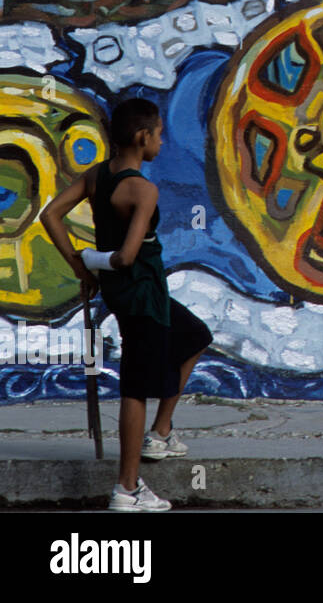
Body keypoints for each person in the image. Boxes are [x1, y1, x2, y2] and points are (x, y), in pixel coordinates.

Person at [39, 97, 212, 510]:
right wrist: (94, 263)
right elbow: (126, 256)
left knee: (193, 336)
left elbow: (51, 216)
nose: (161, 143)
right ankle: (127, 488)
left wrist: (82, 269)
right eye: (158, 135)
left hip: (127, 292)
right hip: (142, 294)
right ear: (142, 137)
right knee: (135, 389)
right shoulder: (143, 189)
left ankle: (162, 432)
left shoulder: (97, 176)